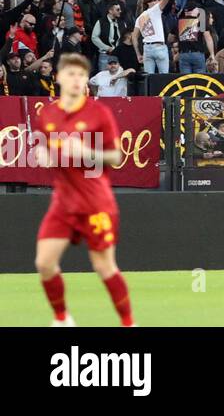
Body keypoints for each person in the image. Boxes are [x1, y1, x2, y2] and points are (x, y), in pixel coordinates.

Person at [34, 53, 134, 327]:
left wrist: (87, 151)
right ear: (59, 78)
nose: (77, 80)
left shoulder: (98, 113)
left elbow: (116, 157)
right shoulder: (50, 114)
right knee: (44, 263)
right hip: (63, 203)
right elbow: (43, 150)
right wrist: (43, 155)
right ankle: (62, 319)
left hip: (95, 202)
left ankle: (128, 322)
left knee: (103, 267)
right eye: (71, 74)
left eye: (81, 75)